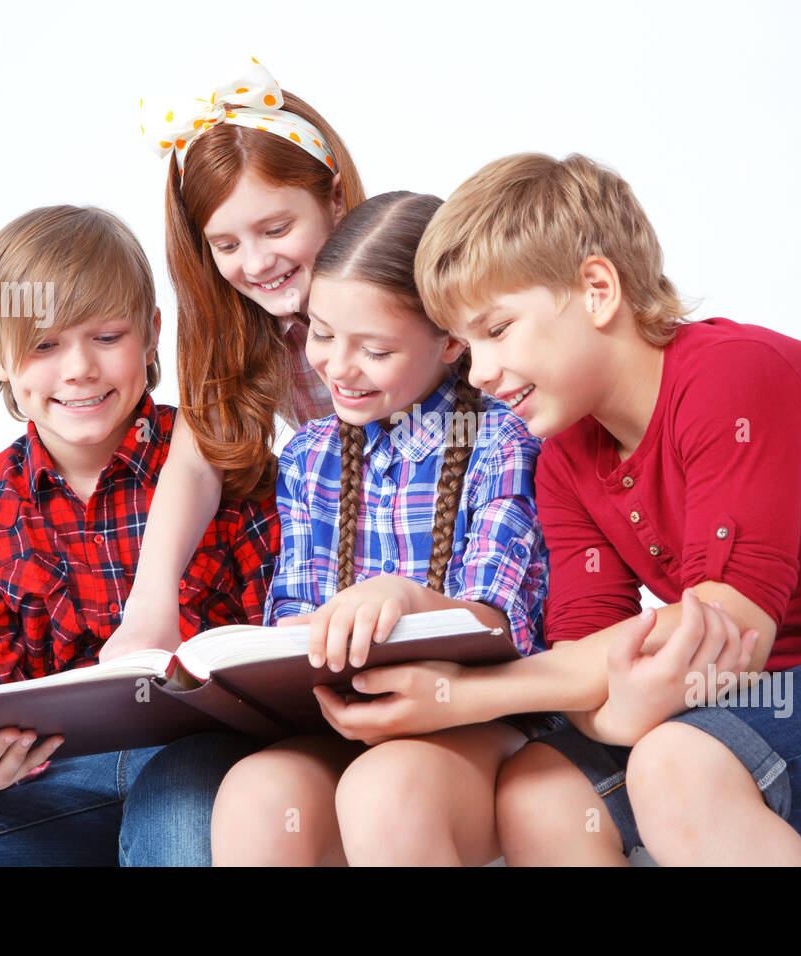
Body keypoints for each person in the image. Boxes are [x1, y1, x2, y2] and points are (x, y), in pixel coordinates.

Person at [314, 151, 801, 865]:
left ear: (598, 291)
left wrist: (461, 695)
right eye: (466, 345)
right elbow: (591, 659)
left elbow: (725, 627)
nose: (482, 371)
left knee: (679, 763)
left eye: (498, 329)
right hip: (777, 688)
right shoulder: (567, 452)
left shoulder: (732, 379)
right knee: (540, 792)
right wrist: (618, 710)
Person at [0, 205, 276, 866]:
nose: (79, 370)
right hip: (57, 787)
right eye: (44, 345)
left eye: (107, 336)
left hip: (205, 763)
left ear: (152, 335)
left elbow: (278, 647)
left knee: (179, 823)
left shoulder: (225, 461)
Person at [210, 192, 550, 866]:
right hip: (346, 723)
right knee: (254, 791)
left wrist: (408, 599)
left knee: (385, 788)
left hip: (476, 721)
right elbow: (295, 614)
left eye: (375, 349)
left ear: (450, 340)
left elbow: (504, 624)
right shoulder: (308, 458)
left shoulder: (502, 440)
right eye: (324, 334)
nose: (336, 367)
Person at [107, 61, 365, 662]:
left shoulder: (415, 285)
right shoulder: (255, 328)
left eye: (276, 228)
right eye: (226, 245)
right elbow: (197, 464)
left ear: (335, 198)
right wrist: (150, 607)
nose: (254, 264)